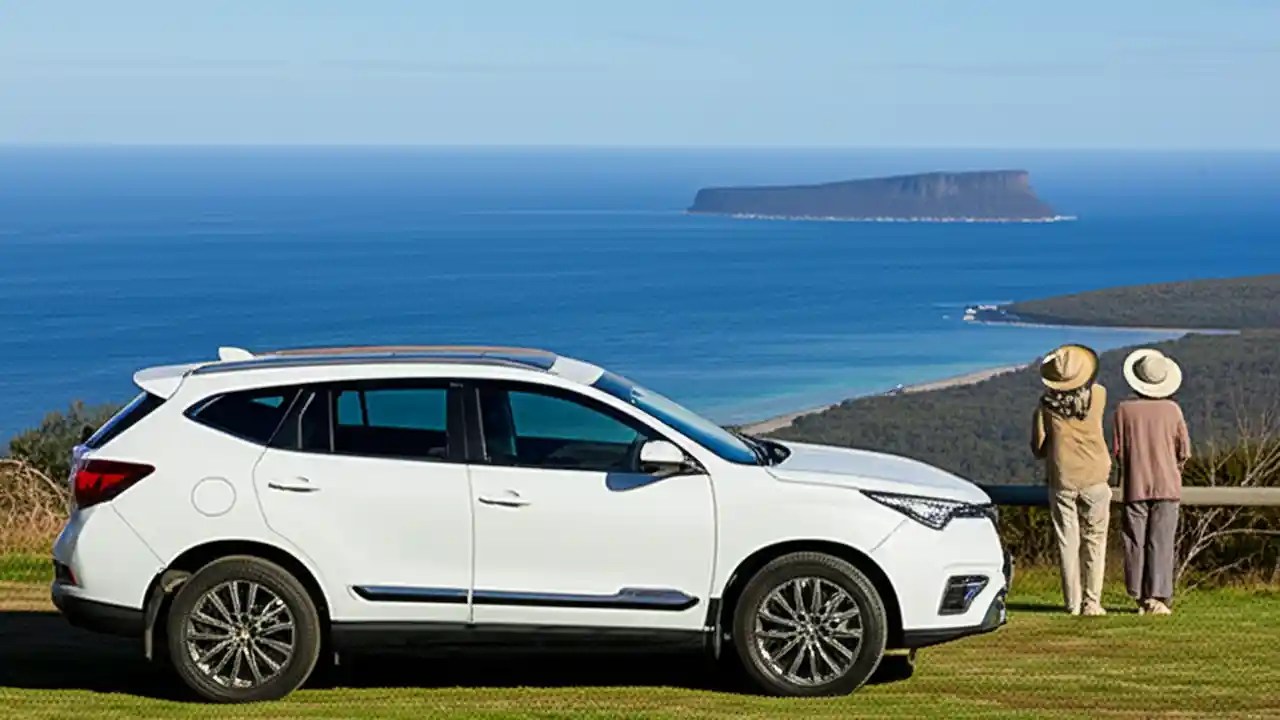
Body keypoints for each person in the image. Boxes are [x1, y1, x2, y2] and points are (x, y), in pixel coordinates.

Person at [1030, 344, 1112, 616]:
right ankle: (1092, 601)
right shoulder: (1099, 395)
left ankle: (1072, 603)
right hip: (1096, 475)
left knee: (1068, 541)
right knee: (1095, 540)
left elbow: (1038, 448)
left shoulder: (1045, 406)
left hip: (1062, 477)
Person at [1113, 348, 1190, 616]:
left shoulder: (1123, 410)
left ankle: (1139, 594)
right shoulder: (1173, 409)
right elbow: (1184, 450)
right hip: (1168, 484)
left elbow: (1118, 450)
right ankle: (1159, 595)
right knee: (1162, 541)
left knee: (1135, 540)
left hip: (1135, 483)